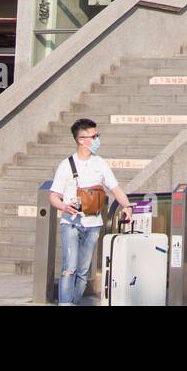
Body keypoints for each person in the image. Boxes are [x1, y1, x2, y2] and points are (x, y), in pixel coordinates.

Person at [48, 117, 133, 305]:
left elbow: (115, 188)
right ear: (81, 140)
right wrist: (64, 206)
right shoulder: (66, 165)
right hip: (71, 223)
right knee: (69, 267)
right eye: (93, 136)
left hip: (93, 224)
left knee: (83, 271)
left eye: (97, 135)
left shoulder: (100, 163)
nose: (97, 140)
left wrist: (126, 206)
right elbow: (53, 196)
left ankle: (73, 301)